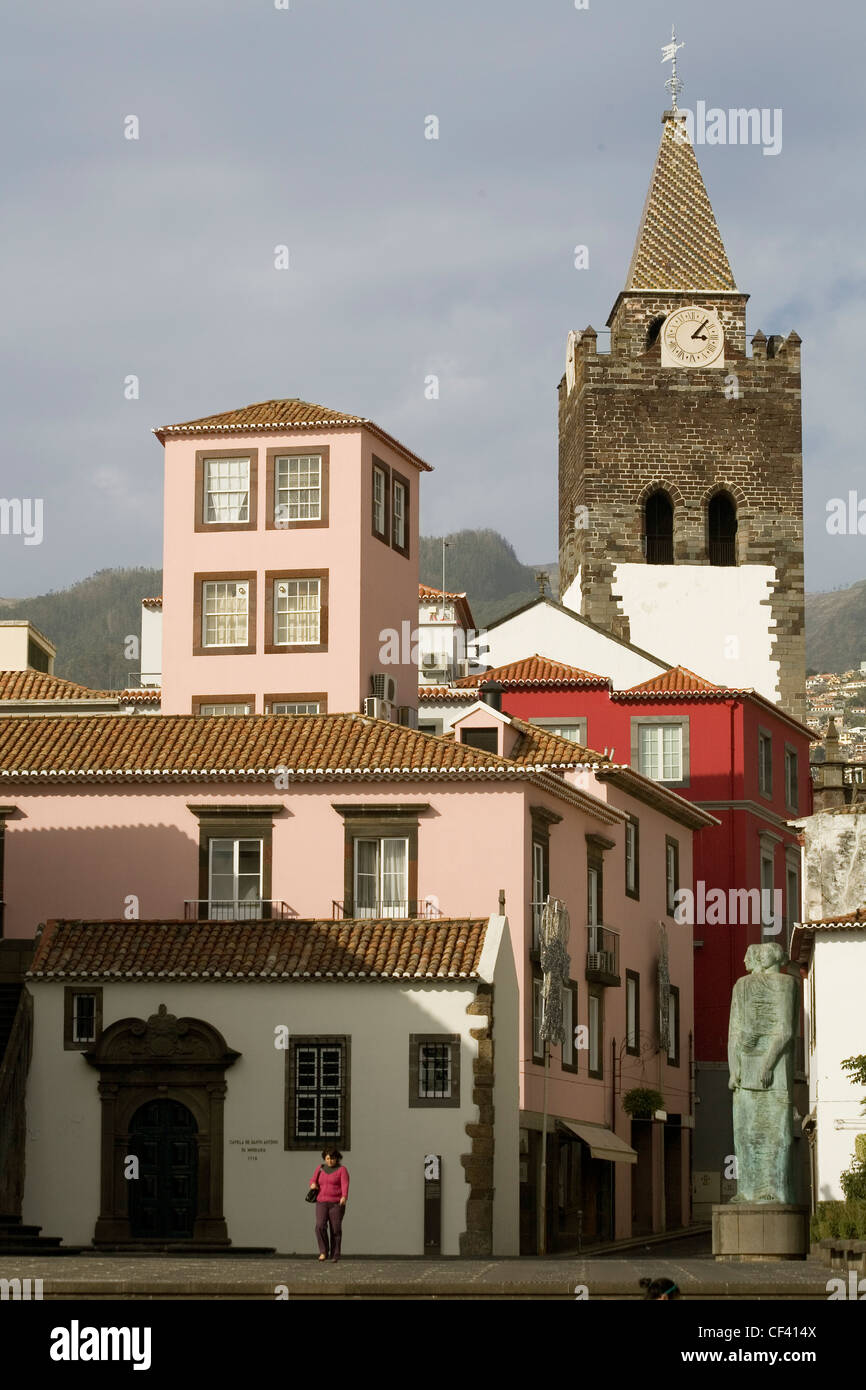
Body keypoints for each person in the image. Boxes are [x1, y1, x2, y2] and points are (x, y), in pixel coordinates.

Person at [310, 1147, 349, 1262]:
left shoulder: (342, 1170)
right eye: (327, 1158)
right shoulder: (320, 1168)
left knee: (335, 1229)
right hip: (321, 1202)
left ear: (337, 1158)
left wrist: (344, 1196)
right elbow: (313, 1180)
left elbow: (345, 1184)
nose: (330, 1161)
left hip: (336, 1203)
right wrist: (312, 1184)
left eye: (332, 1158)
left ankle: (335, 1254)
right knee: (320, 1226)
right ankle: (323, 1252)